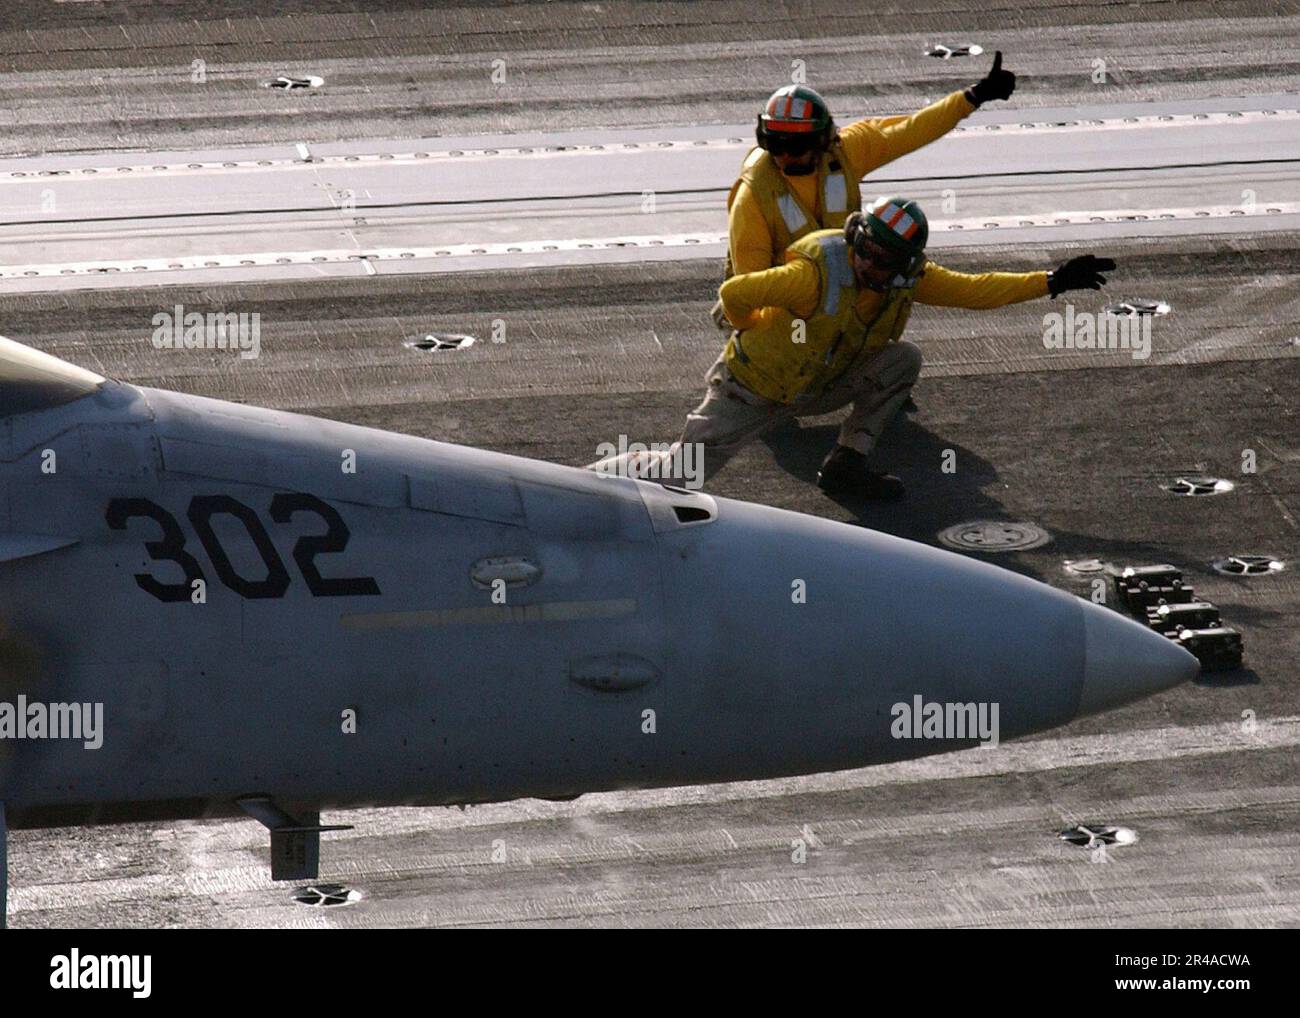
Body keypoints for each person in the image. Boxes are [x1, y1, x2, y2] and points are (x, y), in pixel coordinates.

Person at [594, 196, 1115, 498]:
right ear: (856, 240)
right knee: (676, 477)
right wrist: (748, 333)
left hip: (818, 386)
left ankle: (845, 463)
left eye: (883, 261)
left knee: (902, 360)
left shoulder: (909, 280)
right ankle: (573, 487)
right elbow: (735, 292)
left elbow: (975, 291)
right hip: (752, 392)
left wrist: (1051, 281)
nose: (868, 265)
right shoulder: (812, 274)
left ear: (906, 267)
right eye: (865, 252)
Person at [710, 52, 1018, 331]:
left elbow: (912, 131)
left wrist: (974, 97)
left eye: (797, 147)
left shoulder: (845, 152)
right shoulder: (752, 197)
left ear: (822, 142)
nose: (785, 156)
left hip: (839, 292)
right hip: (789, 309)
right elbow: (752, 288)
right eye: (775, 145)